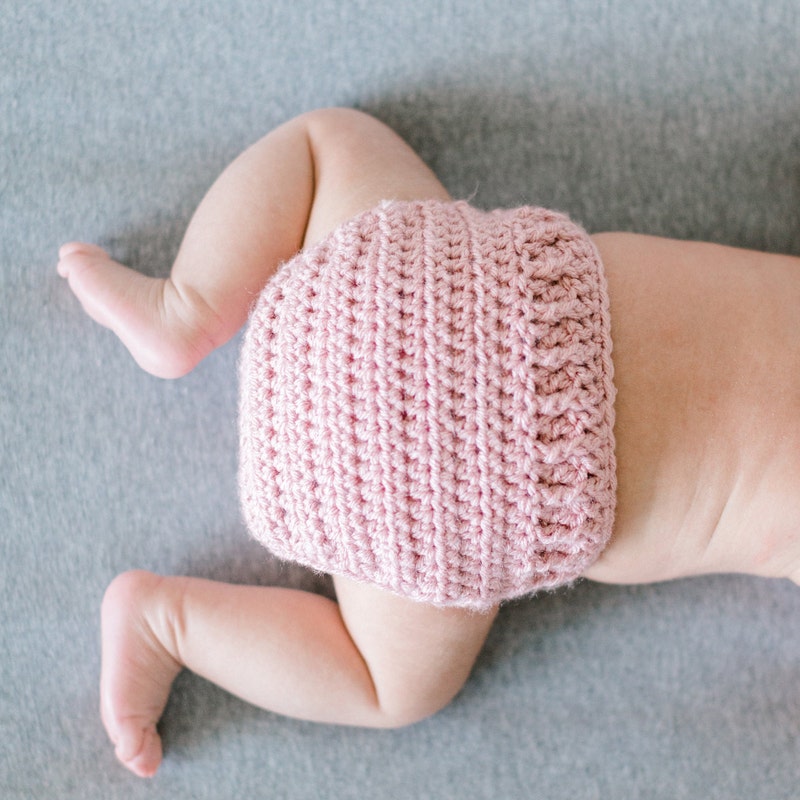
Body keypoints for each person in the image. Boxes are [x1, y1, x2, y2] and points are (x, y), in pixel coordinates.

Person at [57, 108, 800, 779]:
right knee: (384, 687)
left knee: (332, 144)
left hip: (445, 299)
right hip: (461, 510)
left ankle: (186, 308)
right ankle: (168, 623)